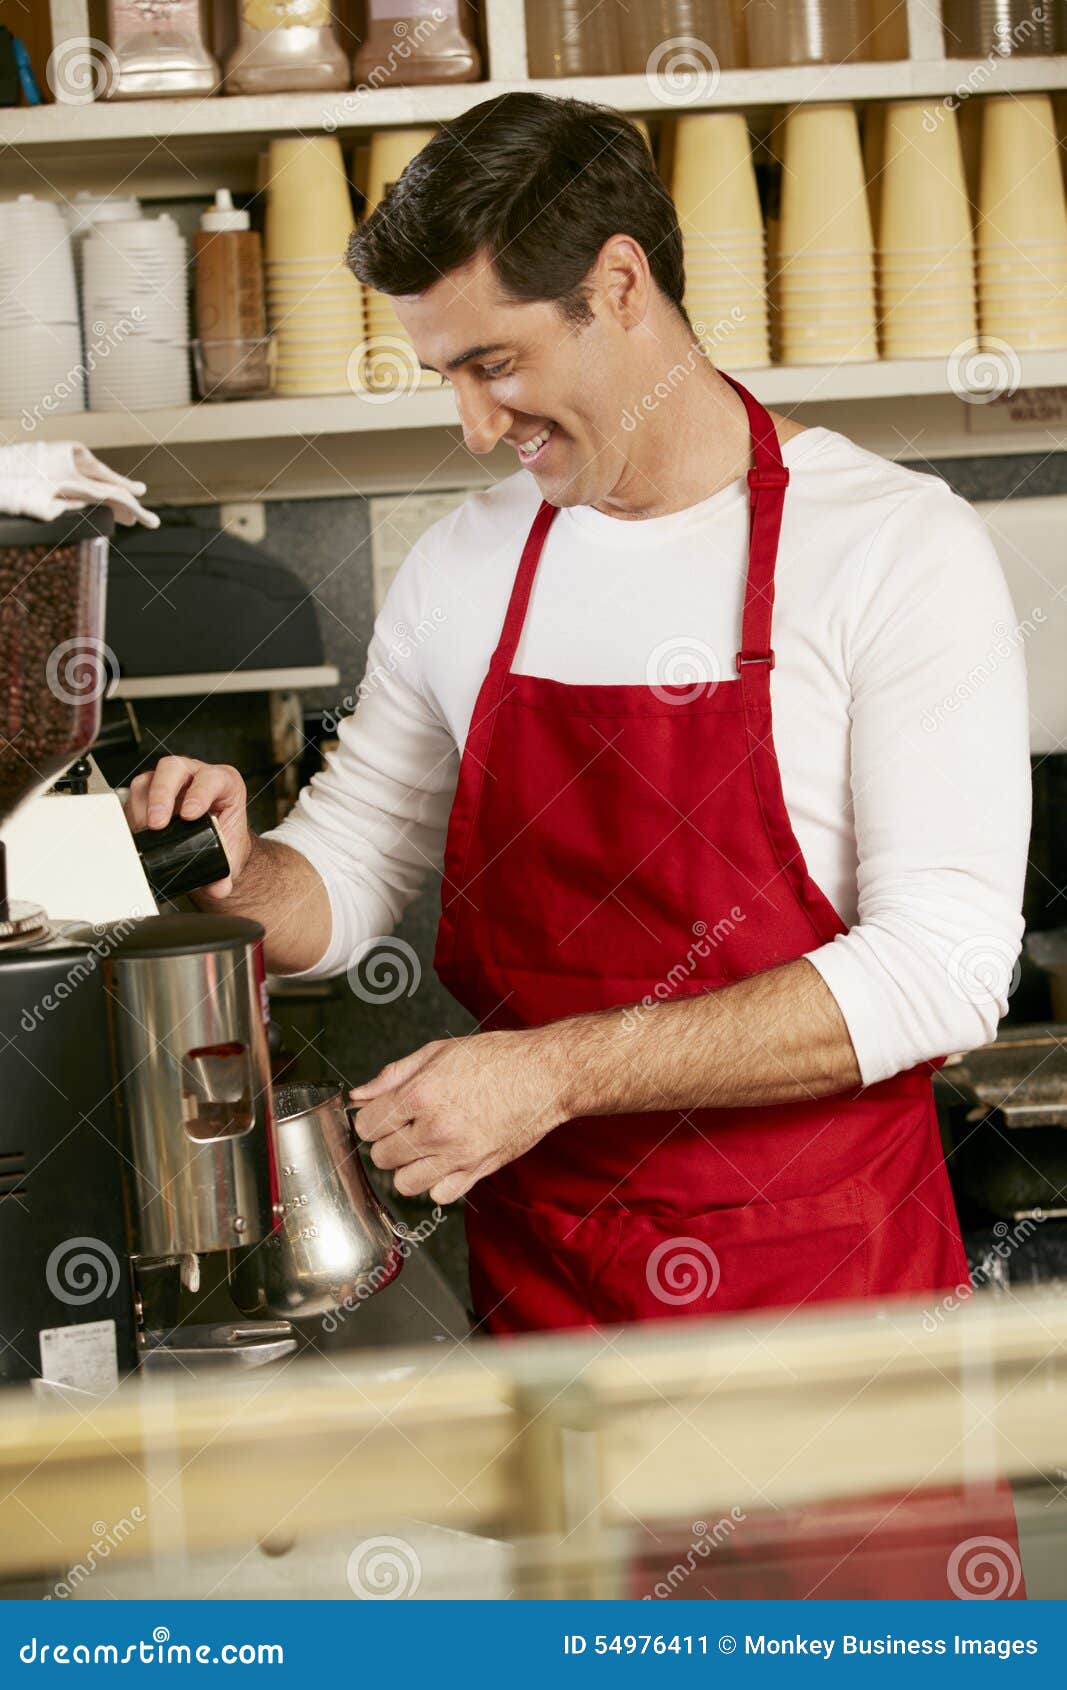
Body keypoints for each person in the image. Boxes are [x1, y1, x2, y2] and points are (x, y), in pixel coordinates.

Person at [126, 92, 1030, 1342]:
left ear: (617, 285)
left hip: (827, 1295)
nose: (474, 426)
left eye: (495, 365)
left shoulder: (891, 544)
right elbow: (344, 877)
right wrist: (238, 871)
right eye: (448, 374)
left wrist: (549, 1073)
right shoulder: (466, 564)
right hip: (552, 1294)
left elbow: (941, 970)